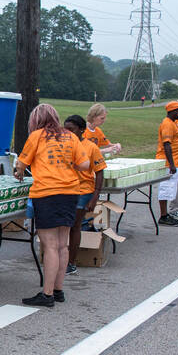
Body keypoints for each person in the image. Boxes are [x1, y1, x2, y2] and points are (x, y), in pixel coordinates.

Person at [15, 103, 88, 307]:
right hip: (70, 192)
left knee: (50, 245)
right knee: (62, 243)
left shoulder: (37, 136)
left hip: (47, 193)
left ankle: (46, 294)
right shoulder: (71, 136)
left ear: (36, 120)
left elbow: (21, 165)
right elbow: (84, 165)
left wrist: (20, 173)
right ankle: (58, 290)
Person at [63, 114, 105, 274]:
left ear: (81, 130)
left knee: (74, 226)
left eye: (71, 129)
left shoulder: (91, 147)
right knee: (63, 226)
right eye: (65, 129)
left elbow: (100, 172)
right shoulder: (62, 146)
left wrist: (95, 196)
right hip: (64, 190)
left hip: (83, 191)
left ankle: (71, 263)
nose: (67, 132)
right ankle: (60, 259)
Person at [156, 101, 178, 226]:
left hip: (174, 163)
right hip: (168, 164)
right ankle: (163, 216)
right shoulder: (167, 124)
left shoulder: (173, 123)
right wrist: (172, 164)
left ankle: (165, 214)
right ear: (173, 111)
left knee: (169, 190)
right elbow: (166, 144)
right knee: (165, 189)